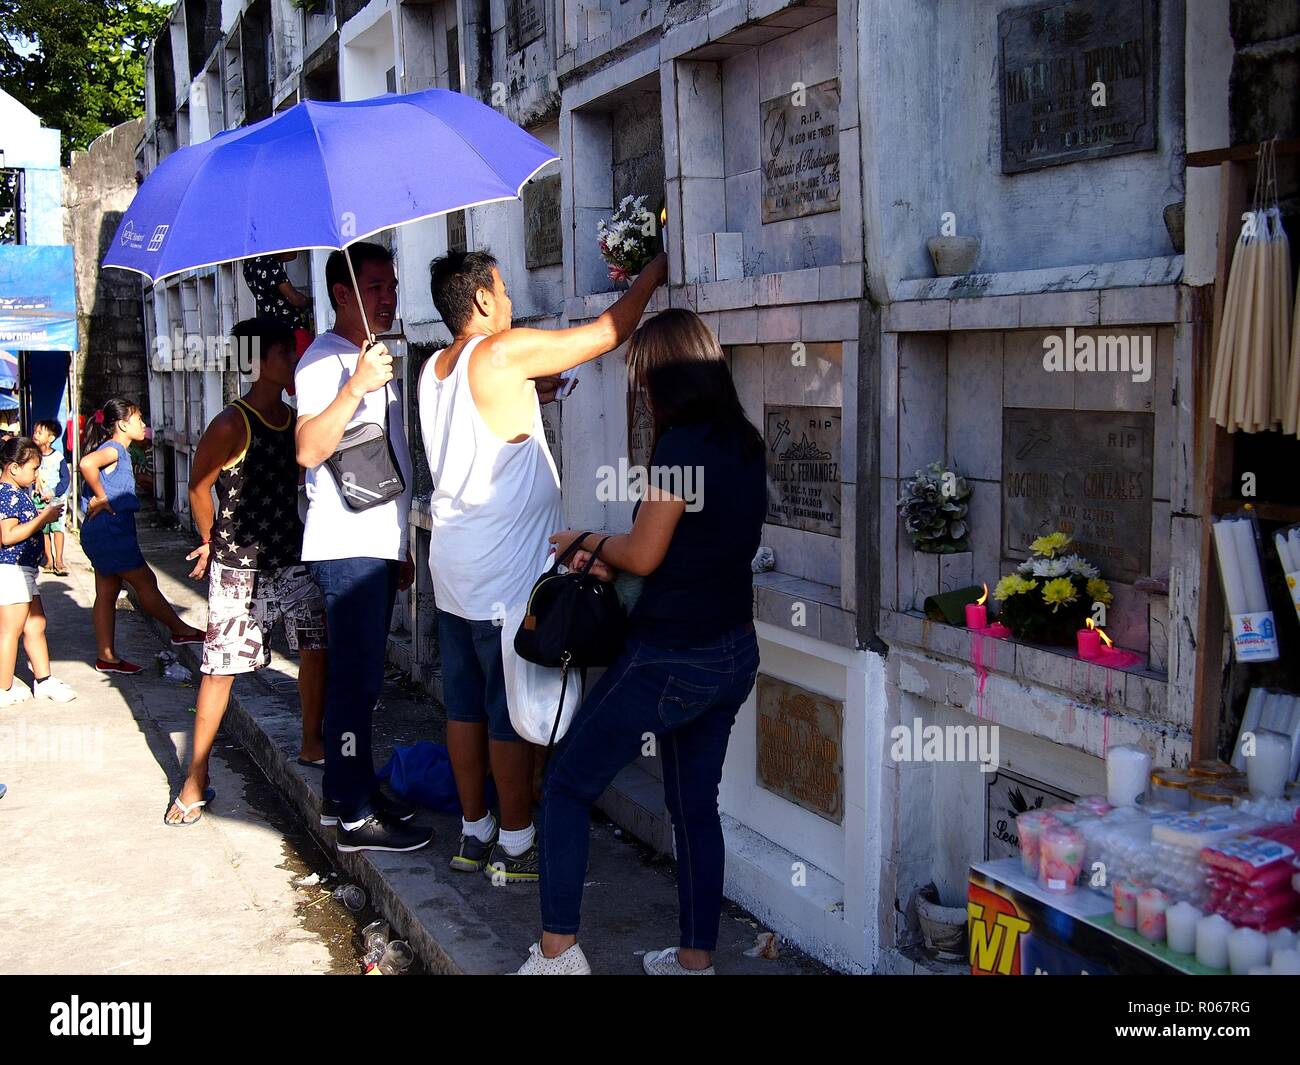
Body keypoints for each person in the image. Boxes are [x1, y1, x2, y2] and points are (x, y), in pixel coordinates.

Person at [514, 309, 765, 975]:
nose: (639, 390)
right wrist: (615, 562)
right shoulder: (743, 440)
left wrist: (586, 543)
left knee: (565, 783)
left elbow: (648, 552)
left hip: (671, 656)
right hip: (733, 650)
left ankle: (558, 954)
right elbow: (697, 547)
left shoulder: (681, 445)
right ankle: (693, 961)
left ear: (665, 378)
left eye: (642, 378)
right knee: (693, 806)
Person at [419, 249, 666, 882]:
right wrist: (656, 265)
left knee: (464, 705)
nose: (508, 302)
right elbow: (611, 330)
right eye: (501, 292)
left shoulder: (434, 369)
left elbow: (487, 424)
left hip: (451, 565)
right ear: (479, 301)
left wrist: (533, 392)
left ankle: (474, 832)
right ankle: (518, 840)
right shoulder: (501, 352)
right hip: (504, 570)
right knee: (508, 710)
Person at [165, 318, 328, 825]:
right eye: (284, 352)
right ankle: (195, 779)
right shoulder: (231, 423)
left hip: (291, 556)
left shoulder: (294, 417)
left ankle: (311, 741)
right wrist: (211, 540)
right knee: (220, 672)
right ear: (257, 360)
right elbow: (199, 486)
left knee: (316, 647)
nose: (293, 360)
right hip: (239, 567)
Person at [294, 242, 428, 854]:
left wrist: (399, 546)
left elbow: (386, 462)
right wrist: (355, 386)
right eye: (374, 287)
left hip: (374, 545)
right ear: (342, 293)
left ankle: (352, 794)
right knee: (355, 682)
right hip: (345, 547)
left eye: (392, 285)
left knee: (364, 681)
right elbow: (309, 449)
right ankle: (352, 813)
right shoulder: (325, 362)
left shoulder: (373, 357)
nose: (389, 297)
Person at [78, 398, 205, 674]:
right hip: (112, 532)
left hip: (102, 532)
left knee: (107, 590)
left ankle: (106, 656)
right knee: (145, 581)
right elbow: (86, 463)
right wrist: (101, 497)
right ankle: (180, 629)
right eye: (138, 420)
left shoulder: (118, 451)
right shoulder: (113, 448)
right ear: (123, 424)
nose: (144, 425)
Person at [0, 436, 76, 704]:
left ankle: (43, 680)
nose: (36, 475)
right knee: (11, 630)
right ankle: (3, 688)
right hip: (11, 570)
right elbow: (7, 536)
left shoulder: (18, 492)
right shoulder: (7, 494)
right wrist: (43, 518)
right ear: (13, 468)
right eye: (33, 469)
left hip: (25, 569)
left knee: (35, 624)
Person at [243, 253, 313, 355]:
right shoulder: (268, 263)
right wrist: (311, 302)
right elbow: (294, 298)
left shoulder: (248, 265)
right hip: (292, 328)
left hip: (272, 331)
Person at [31, 419, 70, 576]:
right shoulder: (33, 457)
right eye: (35, 432)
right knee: (44, 531)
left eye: (40, 432)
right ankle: (49, 559)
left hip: (56, 500)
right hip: (39, 501)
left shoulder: (58, 457)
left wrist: (53, 492)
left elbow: (65, 480)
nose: (35, 435)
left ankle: (59, 560)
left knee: (57, 529)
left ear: (51, 438)